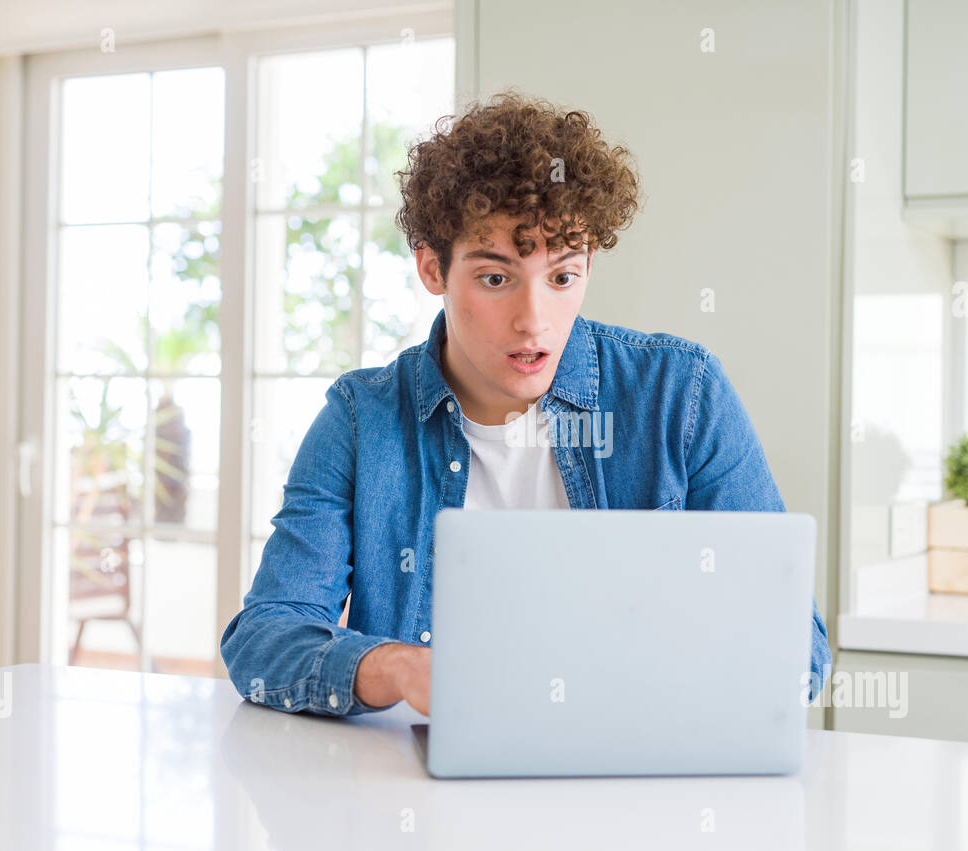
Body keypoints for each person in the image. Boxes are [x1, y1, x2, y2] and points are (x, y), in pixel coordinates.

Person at [220, 90, 832, 717]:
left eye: (563, 277)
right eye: (495, 278)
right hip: (420, 790)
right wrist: (400, 668)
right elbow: (265, 639)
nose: (533, 322)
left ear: (588, 264)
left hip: (643, 780)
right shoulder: (361, 419)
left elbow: (798, 649)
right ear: (433, 269)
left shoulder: (681, 394)